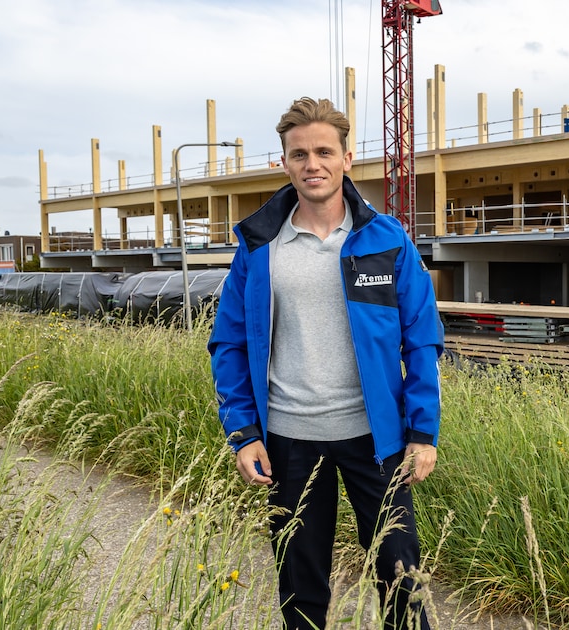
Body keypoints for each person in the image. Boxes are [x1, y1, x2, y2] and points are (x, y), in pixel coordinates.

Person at [208, 96, 443, 630]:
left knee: (402, 580)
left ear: (346, 158)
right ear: (285, 163)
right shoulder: (259, 246)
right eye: (299, 154)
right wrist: (244, 434)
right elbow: (229, 343)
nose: (311, 164)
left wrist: (423, 432)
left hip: (376, 439)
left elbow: (421, 339)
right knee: (301, 586)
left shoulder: (386, 241)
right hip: (289, 441)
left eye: (323, 152)